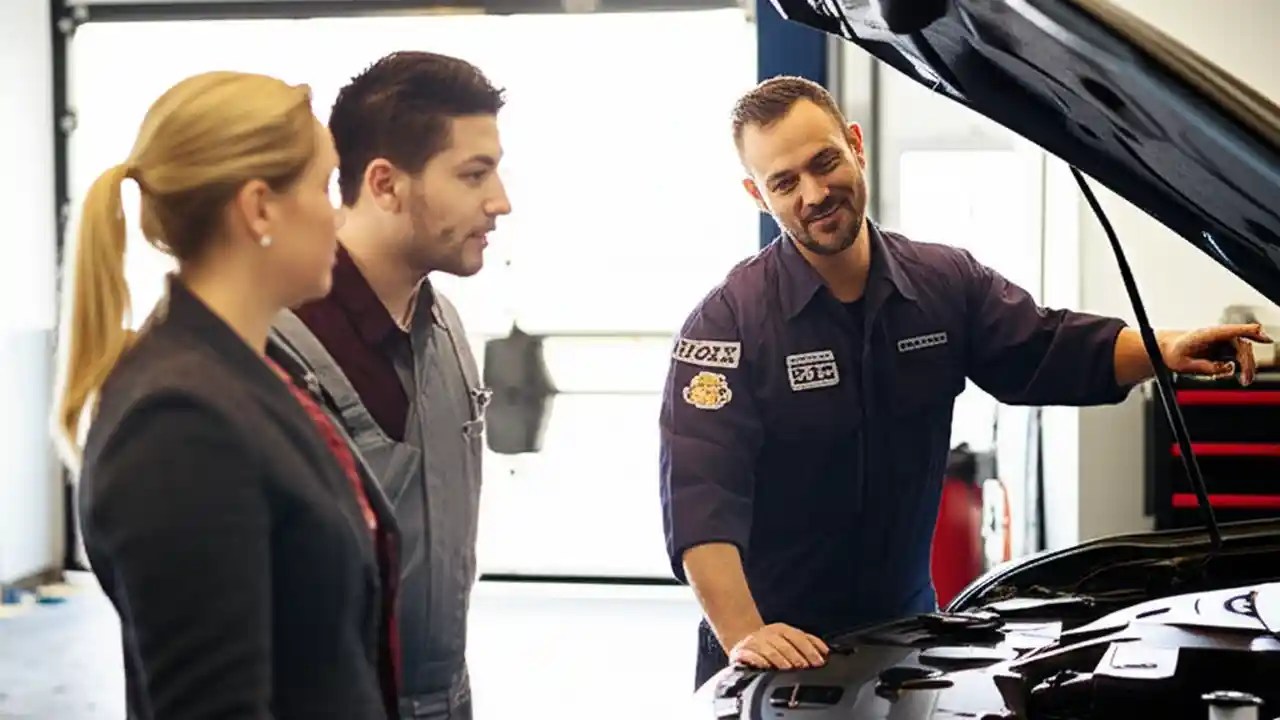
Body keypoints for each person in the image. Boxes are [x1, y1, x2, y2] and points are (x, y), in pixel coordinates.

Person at [658, 75, 1272, 689]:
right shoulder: (728, 324)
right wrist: (745, 633)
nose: (815, 194)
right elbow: (702, 501)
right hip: (775, 649)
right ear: (757, 195)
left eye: (825, 162)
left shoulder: (942, 283)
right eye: (784, 182)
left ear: (854, 144)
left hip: (902, 635)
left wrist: (1167, 348)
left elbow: (1047, 346)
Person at [53, 71, 402, 719]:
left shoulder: (256, 371)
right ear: (259, 208)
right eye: (325, 185)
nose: (339, 212)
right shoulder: (178, 424)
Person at [269, 51, 510, 720]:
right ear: (384, 183)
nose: (501, 201)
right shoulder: (282, 346)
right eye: (473, 175)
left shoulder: (444, 325)